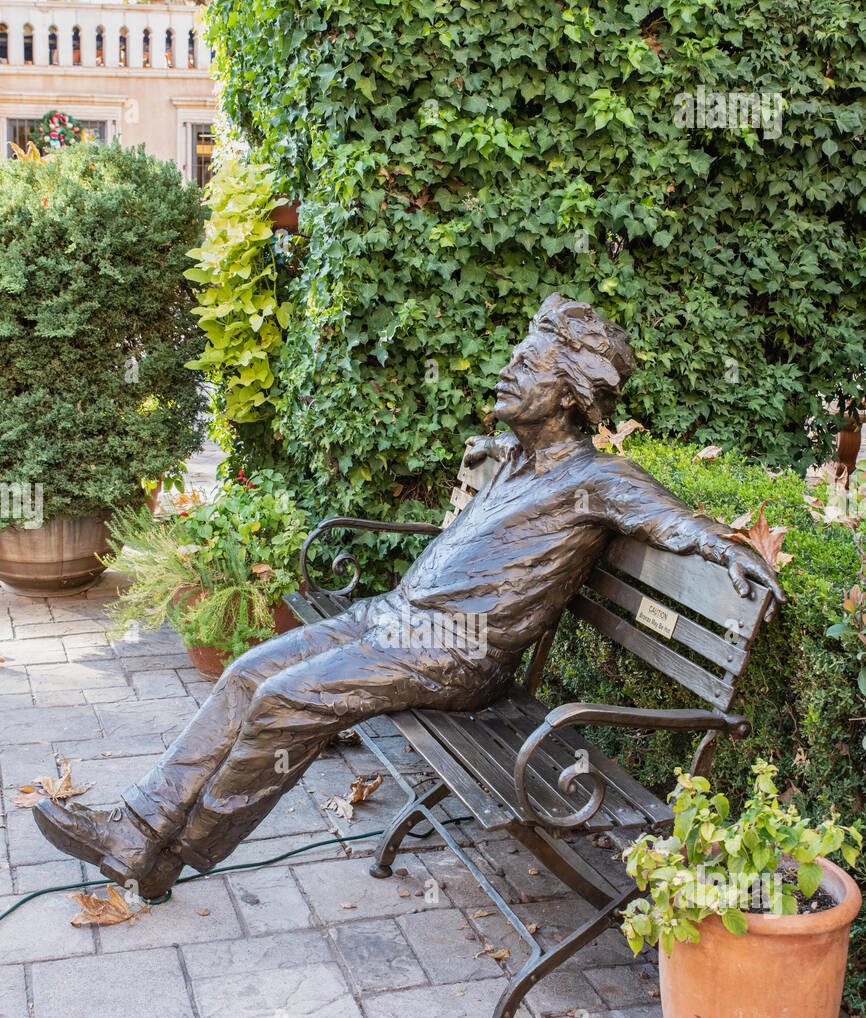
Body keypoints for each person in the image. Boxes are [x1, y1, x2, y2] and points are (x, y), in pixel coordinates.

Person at [34, 296, 783, 898]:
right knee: (246, 675)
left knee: (283, 702)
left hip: (455, 651)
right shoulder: (515, 461)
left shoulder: (594, 478)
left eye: (527, 365)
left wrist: (731, 549)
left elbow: (675, 520)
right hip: (397, 621)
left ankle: (172, 854)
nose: (506, 371)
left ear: (568, 393)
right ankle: (136, 832)